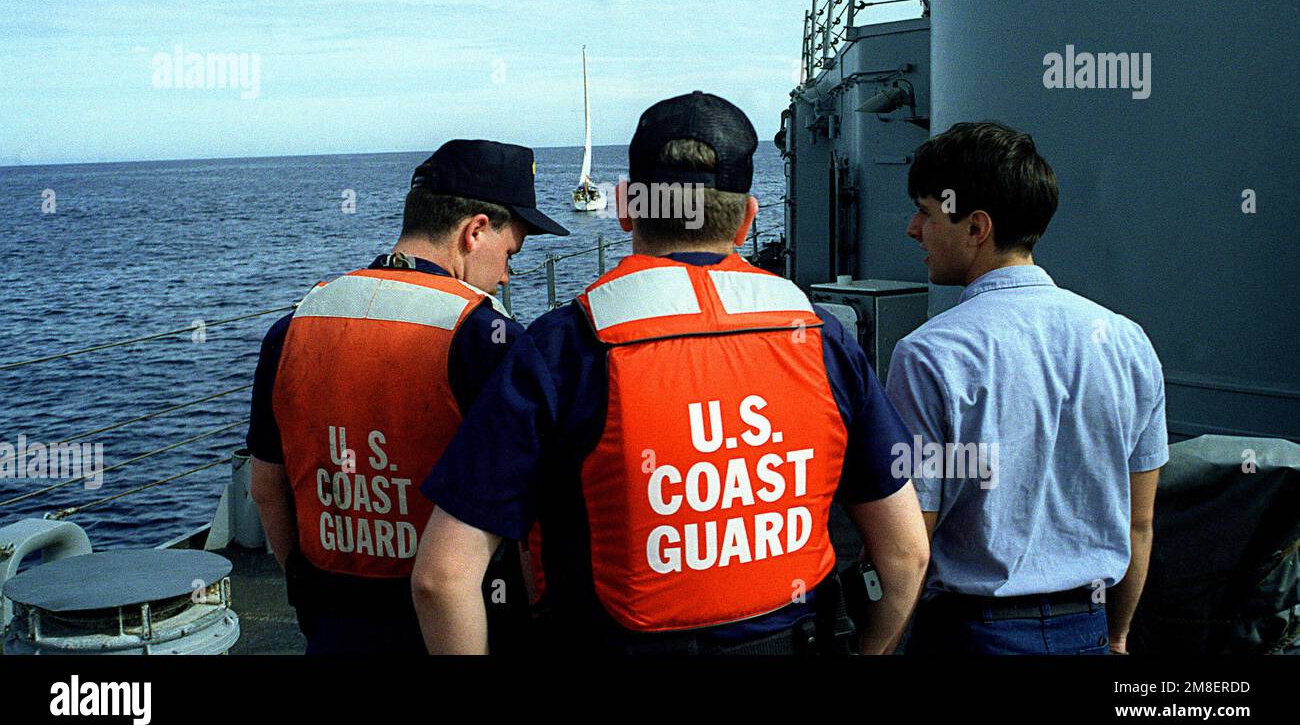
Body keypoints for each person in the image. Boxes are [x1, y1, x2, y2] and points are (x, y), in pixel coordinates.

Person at [410, 92, 930, 655]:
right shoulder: (822, 338)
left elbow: (442, 578)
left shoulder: (563, 347)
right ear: (747, 218)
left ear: (627, 205)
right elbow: (904, 552)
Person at [246, 139, 569, 654]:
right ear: (475, 231)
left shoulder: (294, 326)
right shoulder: (486, 339)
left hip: (332, 621)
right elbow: (528, 519)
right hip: (459, 627)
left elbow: (265, 488)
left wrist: (311, 591)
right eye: (510, 253)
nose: (507, 273)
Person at [885, 121, 1167, 655]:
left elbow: (909, 548)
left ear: (976, 228)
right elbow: (1140, 522)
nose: (912, 229)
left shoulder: (928, 353)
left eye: (925, 210)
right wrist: (1119, 636)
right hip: (1088, 628)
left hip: (971, 635)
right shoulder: (1129, 342)